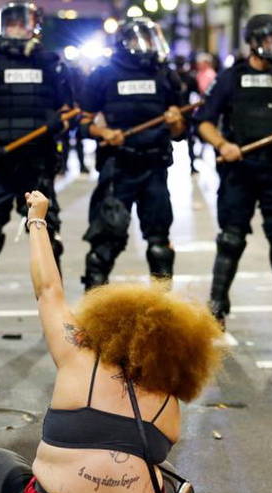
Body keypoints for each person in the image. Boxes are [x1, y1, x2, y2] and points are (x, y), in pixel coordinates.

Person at [0, 190, 222, 493]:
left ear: (105, 322)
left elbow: (48, 289)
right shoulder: (168, 403)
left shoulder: (78, 357)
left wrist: (37, 219)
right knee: (164, 475)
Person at [195, 13, 272, 337]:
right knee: (231, 241)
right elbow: (204, 120)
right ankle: (216, 311)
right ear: (254, 43)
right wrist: (223, 144)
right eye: (271, 40)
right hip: (240, 171)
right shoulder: (231, 77)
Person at [0, 1, 73, 339]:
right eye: (9, 23)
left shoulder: (52, 64)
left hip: (37, 163)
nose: (15, 29)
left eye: (21, 23)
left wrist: (58, 123)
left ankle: (58, 316)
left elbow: (70, 112)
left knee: (47, 240)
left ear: (34, 26)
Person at [78, 17, 186, 289]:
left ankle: (162, 311)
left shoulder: (164, 74)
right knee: (106, 241)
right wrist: (103, 133)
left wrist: (176, 123)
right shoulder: (104, 74)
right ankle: (94, 309)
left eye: (151, 38)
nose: (148, 45)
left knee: (160, 243)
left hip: (155, 164)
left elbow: (182, 129)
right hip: (118, 165)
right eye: (142, 39)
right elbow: (82, 121)